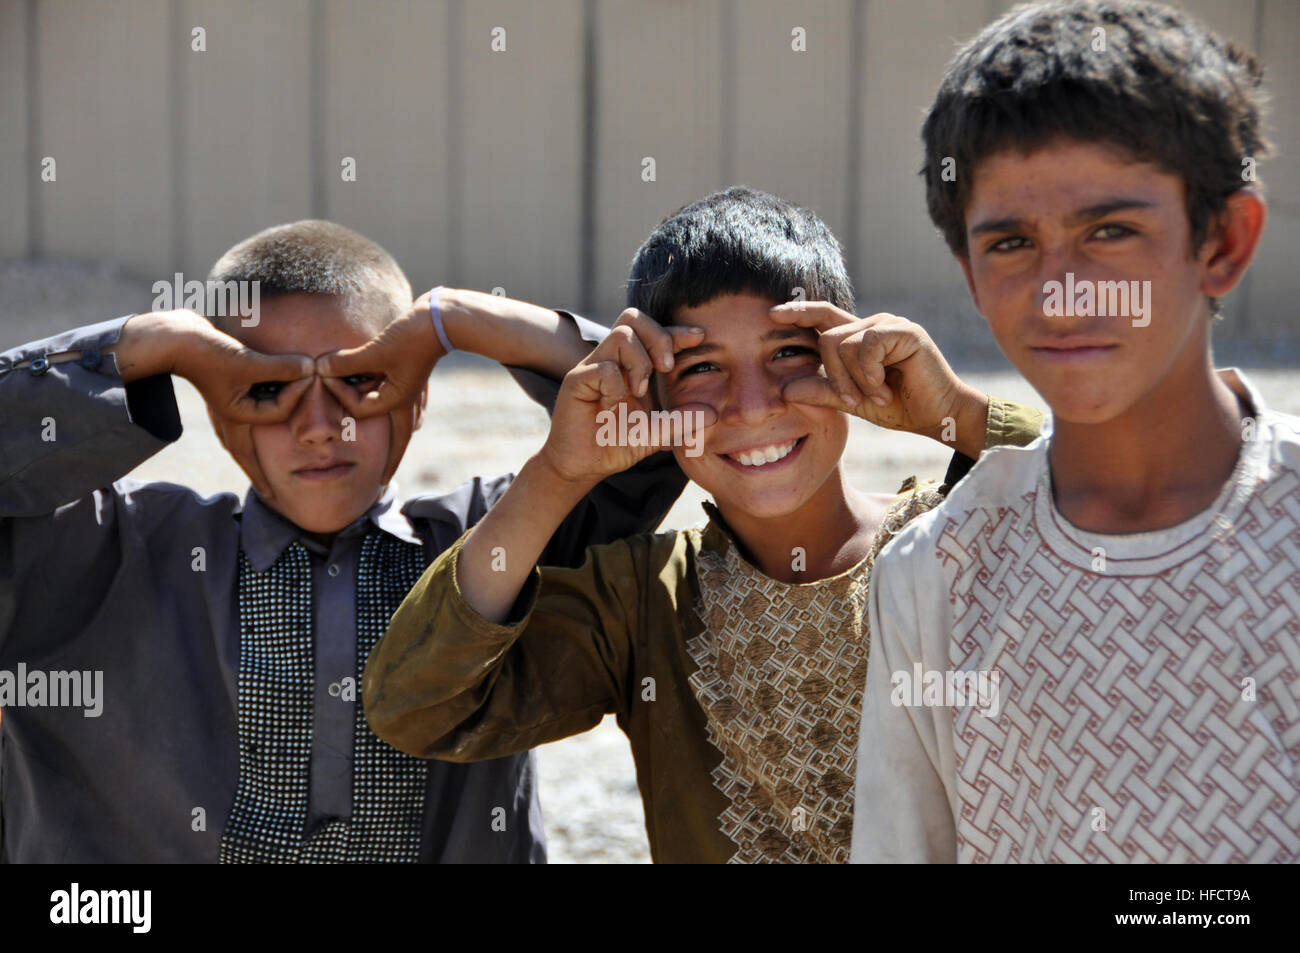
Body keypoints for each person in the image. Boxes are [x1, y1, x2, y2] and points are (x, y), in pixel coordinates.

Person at [363, 187, 1043, 863]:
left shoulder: (955, 538)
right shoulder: (643, 602)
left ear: (849, 353)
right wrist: (560, 471)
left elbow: (1137, 516)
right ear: (654, 396)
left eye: (786, 354)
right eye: (702, 368)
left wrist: (954, 410)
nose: (750, 407)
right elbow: (418, 702)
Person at [0, 219, 687, 862]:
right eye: (269, 388)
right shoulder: (111, 552)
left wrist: (459, 320)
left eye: (361, 380)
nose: (322, 426)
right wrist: (154, 344)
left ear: (418, 397)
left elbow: (658, 431)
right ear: (220, 407)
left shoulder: (500, 540)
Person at [851, 0, 1297, 863]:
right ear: (971, 277)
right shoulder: (935, 577)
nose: (1064, 289)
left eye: (1110, 231)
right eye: (1012, 243)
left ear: (1224, 243)